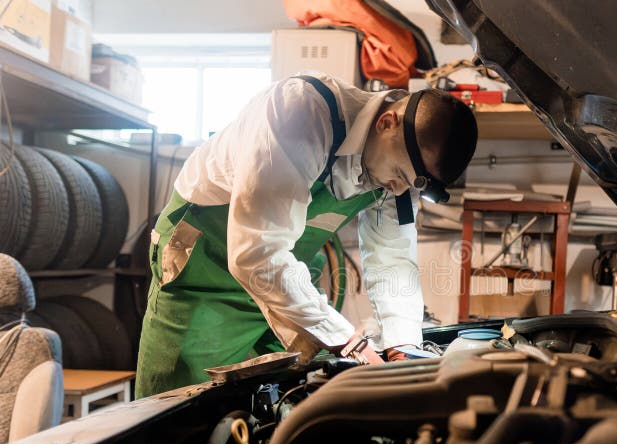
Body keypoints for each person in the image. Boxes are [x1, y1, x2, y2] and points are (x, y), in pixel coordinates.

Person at [135, 72, 478, 398]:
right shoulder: (301, 114)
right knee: (182, 406)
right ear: (386, 123)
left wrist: (403, 346)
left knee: (279, 398)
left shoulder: (404, 167)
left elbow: (393, 261)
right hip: (208, 266)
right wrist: (348, 341)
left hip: (280, 279)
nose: (400, 188)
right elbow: (256, 254)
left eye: (411, 183)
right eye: (401, 175)